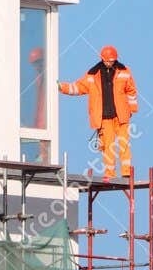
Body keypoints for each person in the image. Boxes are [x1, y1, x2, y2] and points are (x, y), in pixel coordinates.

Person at [59, 45, 139, 179]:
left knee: (124, 143)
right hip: (104, 117)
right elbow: (78, 87)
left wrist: (132, 109)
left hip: (122, 116)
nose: (109, 63)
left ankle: (126, 172)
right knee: (108, 146)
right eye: (107, 60)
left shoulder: (124, 71)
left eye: (112, 60)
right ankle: (110, 173)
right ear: (102, 59)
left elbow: (131, 91)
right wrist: (62, 87)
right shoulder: (92, 75)